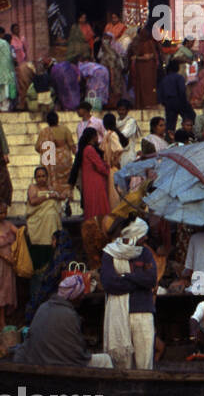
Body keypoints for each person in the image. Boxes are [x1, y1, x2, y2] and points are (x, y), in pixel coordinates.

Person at [15, 275, 113, 368]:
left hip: (37, 360)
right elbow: (77, 353)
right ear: (74, 297)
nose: (82, 297)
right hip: (61, 364)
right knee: (106, 360)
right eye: (81, 295)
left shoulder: (43, 307)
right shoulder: (70, 315)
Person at [99, 218, 157, 369]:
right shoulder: (109, 253)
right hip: (119, 316)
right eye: (143, 235)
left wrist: (126, 276)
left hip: (143, 312)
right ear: (135, 235)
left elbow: (151, 279)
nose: (146, 238)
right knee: (122, 365)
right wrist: (139, 282)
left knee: (145, 364)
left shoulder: (146, 253)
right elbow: (109, 284)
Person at [25, 166, 66, 271]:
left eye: (43, 176)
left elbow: (61, 198)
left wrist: (58, 196)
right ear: (35, 178)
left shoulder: (50, 188)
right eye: (38, 177)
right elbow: (33, 201)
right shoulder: (32, 187)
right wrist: (48, 196)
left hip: (51, 225)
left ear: (47, 177)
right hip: (38, 223)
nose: (41, 179)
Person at [69, 127, 110, 217]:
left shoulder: (84, 149)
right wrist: (109, 169)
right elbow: (100, 167)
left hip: (89, 182)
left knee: (92, 208)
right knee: (99, 209)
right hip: (95, 183)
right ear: (93, 137)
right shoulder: (90, 150)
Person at [127, 28, 161, 109]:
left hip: (147, 70)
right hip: (141, 70)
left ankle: (148, 104)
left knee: (147, 87)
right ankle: (142, 104)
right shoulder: (140, 43)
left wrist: (137, 58)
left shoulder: (148, 43)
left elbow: (148, 56)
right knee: (141, 87)